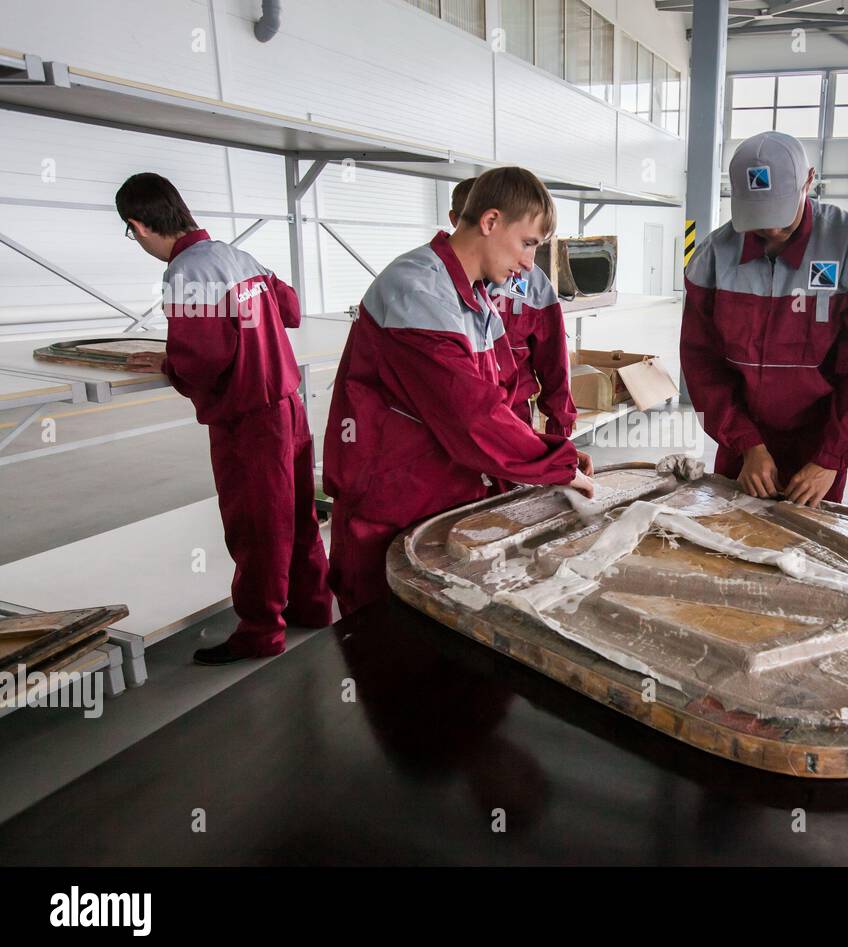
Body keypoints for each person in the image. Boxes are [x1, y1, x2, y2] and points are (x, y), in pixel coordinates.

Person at [323, 167, 594, 616]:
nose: (530, 263)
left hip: (442, 490)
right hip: (392, 500)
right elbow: (471, 415)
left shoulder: (472, 294)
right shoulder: (418, 291)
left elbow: (499, 398)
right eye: (528, 243)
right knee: (386, 644)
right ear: (490, 222)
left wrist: (547, 450)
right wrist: (553, 466)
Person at [116, 172, 331, 665]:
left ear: (139, 225)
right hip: (289, 407)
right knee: (297, 515)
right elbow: (291, 309)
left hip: (247, 420)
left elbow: (203, 359)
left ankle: (261, 632)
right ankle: (314, 606)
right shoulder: (237, 257)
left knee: (256, 527)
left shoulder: (185, 272)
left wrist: (169, 362)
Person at [680, 131, 848, 508]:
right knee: (728, 545)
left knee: (806, 553)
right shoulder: (712, 258)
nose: (773, 231)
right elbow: (702, 365)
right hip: (742, 444)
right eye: (759, 220)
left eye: (782, 217)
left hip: (821, 446)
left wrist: (831, 459)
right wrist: (746, 443)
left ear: (809, 180)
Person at [451, 178, 576, 437]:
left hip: (514, 423)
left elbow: (555, 364)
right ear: (456, 221)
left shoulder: (533, 285)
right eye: (526, 243)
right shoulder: (435, 289)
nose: (527, 263)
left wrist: (558, 436)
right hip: (461, 428)